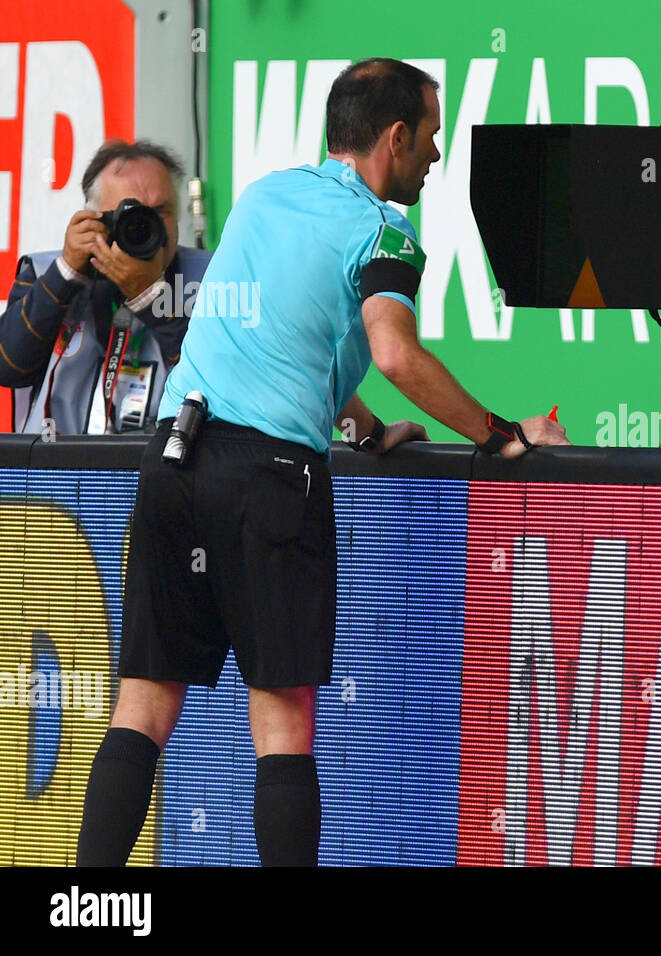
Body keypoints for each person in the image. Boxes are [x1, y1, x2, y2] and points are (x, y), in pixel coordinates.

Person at [75, 57, 569, 867]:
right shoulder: (385, 230)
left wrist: (369, 431)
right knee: (283, 726)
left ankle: (80, 914)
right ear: (395, 137)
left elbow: (288, 346)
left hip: (173, 460)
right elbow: (396, 353)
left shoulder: (267, 194)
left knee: (140, 709)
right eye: (432, 136)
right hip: (268, 479)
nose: (438, 156)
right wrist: (499, 432)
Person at [0, 140, 210, 434]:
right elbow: (8, 366)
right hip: (55, 471)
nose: (146, 224)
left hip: (161, 471)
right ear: (93, 218)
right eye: (131, 213)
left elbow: (220, 385)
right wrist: (66, 272)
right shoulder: (43, 271)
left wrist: (152, 297)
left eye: (161, 211)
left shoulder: (210, 277)